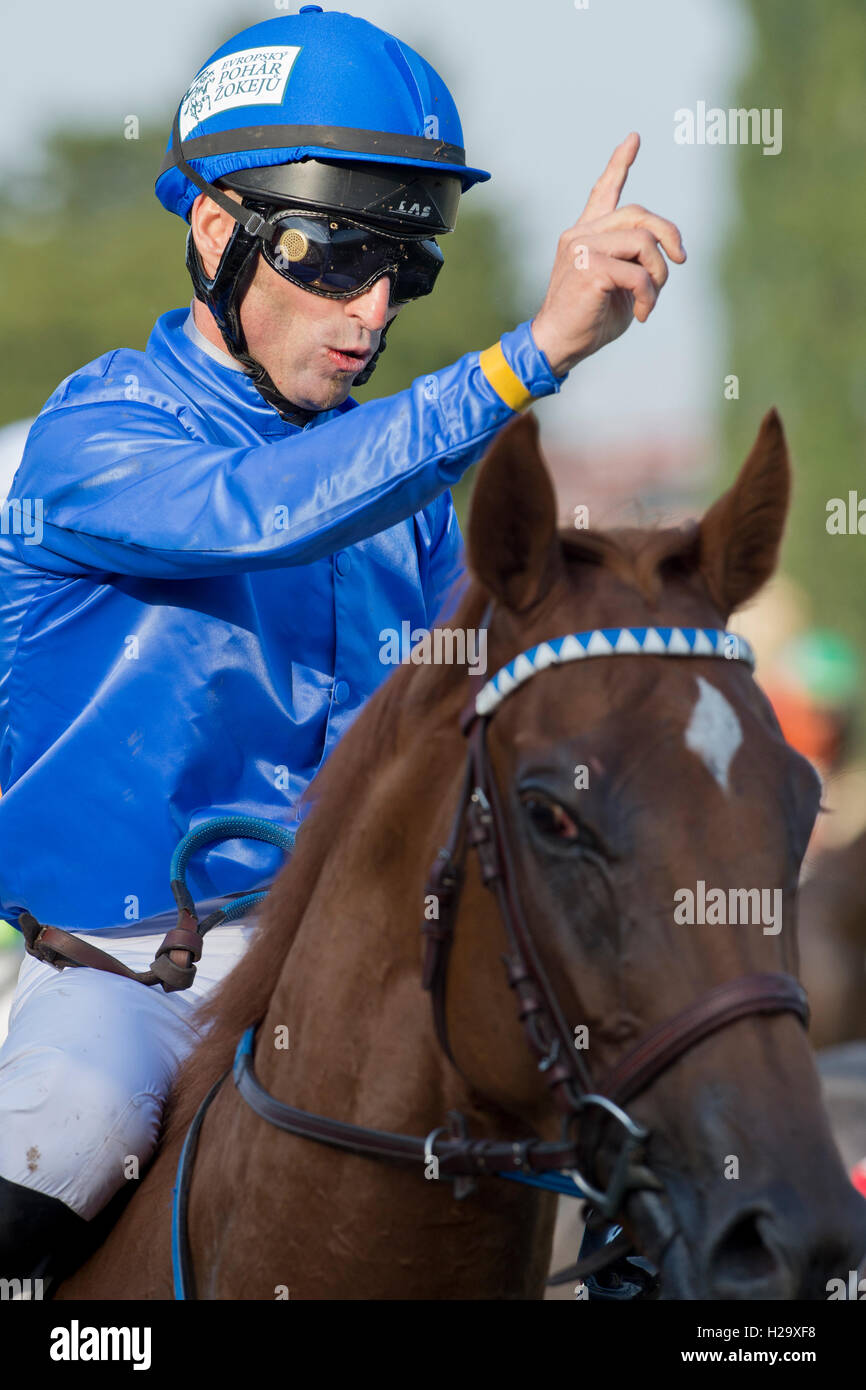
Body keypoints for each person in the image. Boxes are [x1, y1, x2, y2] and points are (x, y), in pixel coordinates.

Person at [0, 7, 684, 1287]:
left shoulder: (405, 496)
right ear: (216, 234)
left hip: (356, 960)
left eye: (406, 271)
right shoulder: (96, 433)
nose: (370, 311)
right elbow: (262, 512)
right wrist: (530, 355)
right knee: (70, 1121)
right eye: (334, 259)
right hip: (127, 993)